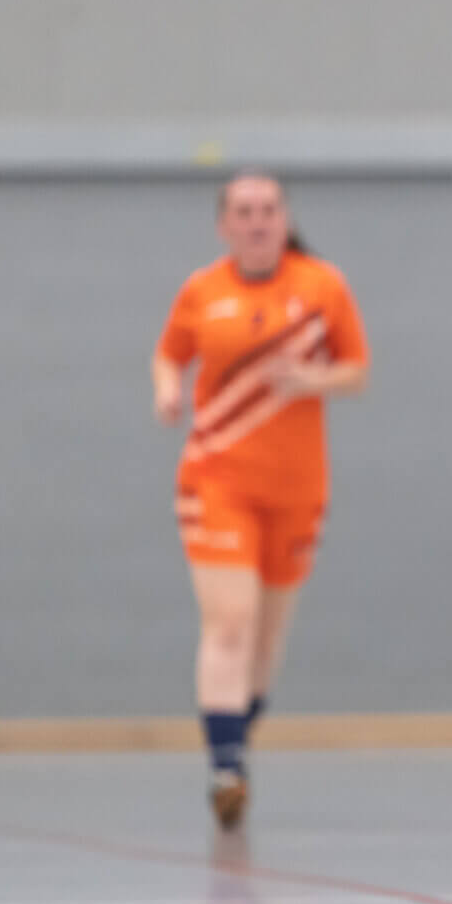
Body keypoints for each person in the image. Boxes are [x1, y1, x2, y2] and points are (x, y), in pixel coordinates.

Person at [153, 173, 370, 828]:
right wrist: (167, 390)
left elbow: (357, 369)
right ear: (225, 224)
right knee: (230, 622)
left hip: (298, 488)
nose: (257, 221)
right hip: (217, 480)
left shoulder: (320, 286)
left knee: (267, 641)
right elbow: (169, 355)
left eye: (268, 210)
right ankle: (227, 767)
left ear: (284, 219)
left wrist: (311, 377)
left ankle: (234, 735)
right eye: (244, 212)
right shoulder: (202, 291)